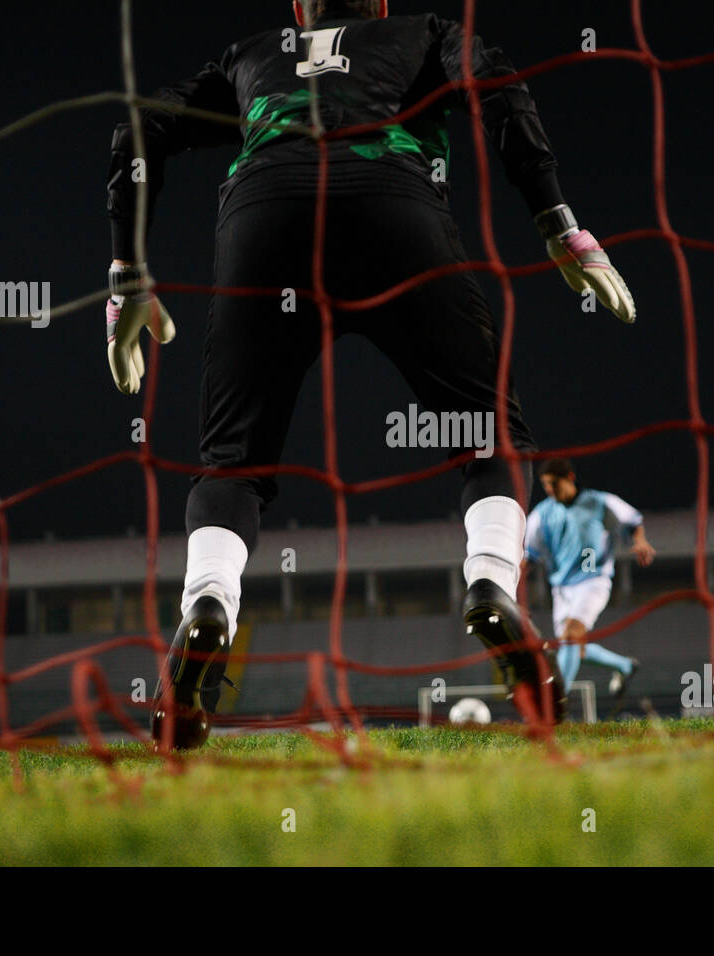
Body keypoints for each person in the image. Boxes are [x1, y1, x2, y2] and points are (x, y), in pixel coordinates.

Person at [104, 0, 636, 748]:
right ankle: (489, 580)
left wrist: (128, 272)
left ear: (298, 9)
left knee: (233, 460)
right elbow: (497, 83)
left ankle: (210, 603)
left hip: (265, 216)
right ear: (381, 4)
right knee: (493, 439)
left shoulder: (250, 52)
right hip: (393, 204)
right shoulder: (422, 33)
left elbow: (138, 128)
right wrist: (557, 221)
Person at [524, 459, 655, 705]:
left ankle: (556, 702)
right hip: (561, 589)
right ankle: (625, 666)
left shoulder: (599, 502)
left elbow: (633, 520)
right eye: (546, 485)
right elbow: (528, 556)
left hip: (593, 581)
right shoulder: (542, 514)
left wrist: (640, 541)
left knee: (571, 637)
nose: (550, 490)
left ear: (570, 477)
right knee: (572, 648)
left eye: (554, 484)